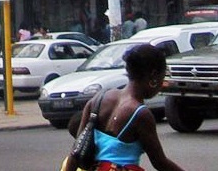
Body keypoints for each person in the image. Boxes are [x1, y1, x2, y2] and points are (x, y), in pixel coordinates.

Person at [67, 43, 187, 171]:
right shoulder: (140, 114)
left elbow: (75, 153)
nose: (161, 84)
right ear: (153, 75)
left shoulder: (98, 99)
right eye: (162, 77)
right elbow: (160, 162)